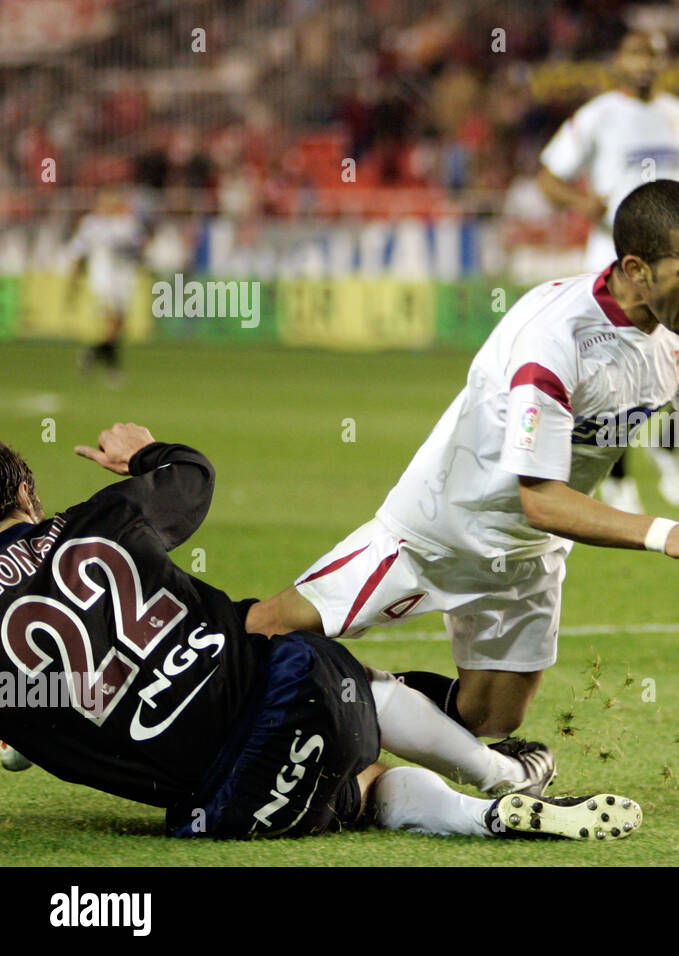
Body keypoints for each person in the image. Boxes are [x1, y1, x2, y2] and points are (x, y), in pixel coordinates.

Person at [251, 181, 679, 786]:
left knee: (490, 716)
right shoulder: (555, 341)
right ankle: (252, 695)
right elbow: (539, 498)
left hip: (529, 553)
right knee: (268, 632)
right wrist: (662, 533)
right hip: (442, 525)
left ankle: (361, 694)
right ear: (636, 268)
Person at [0, 425, 641, 841]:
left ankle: (483, 820)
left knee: (358, 792)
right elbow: (194, 475)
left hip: (225, 803)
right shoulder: (97, 520)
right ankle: (501, 778)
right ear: (26, 493)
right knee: (344, 677)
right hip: (296, 691)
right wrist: (142, 453)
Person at [538, 28, 679, 511]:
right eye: (637, 54)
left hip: (675, 260)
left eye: (655, 54)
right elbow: (548, 176)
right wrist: (580, 202)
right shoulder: (597, 116)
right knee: (612, 369)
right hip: (615, 255)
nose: (646, 63)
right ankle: (619, 475)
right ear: (620, 59)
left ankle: (667, 448)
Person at [66, 188, 144, 386]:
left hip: (124, 278)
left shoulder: (127, 223)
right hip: (103, 278)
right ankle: (114, 370)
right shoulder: (91, 225)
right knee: (111, 322)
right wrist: (73, 282)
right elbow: (77, 253)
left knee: (119, 325)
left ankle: (91, 353)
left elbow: (139, 247)